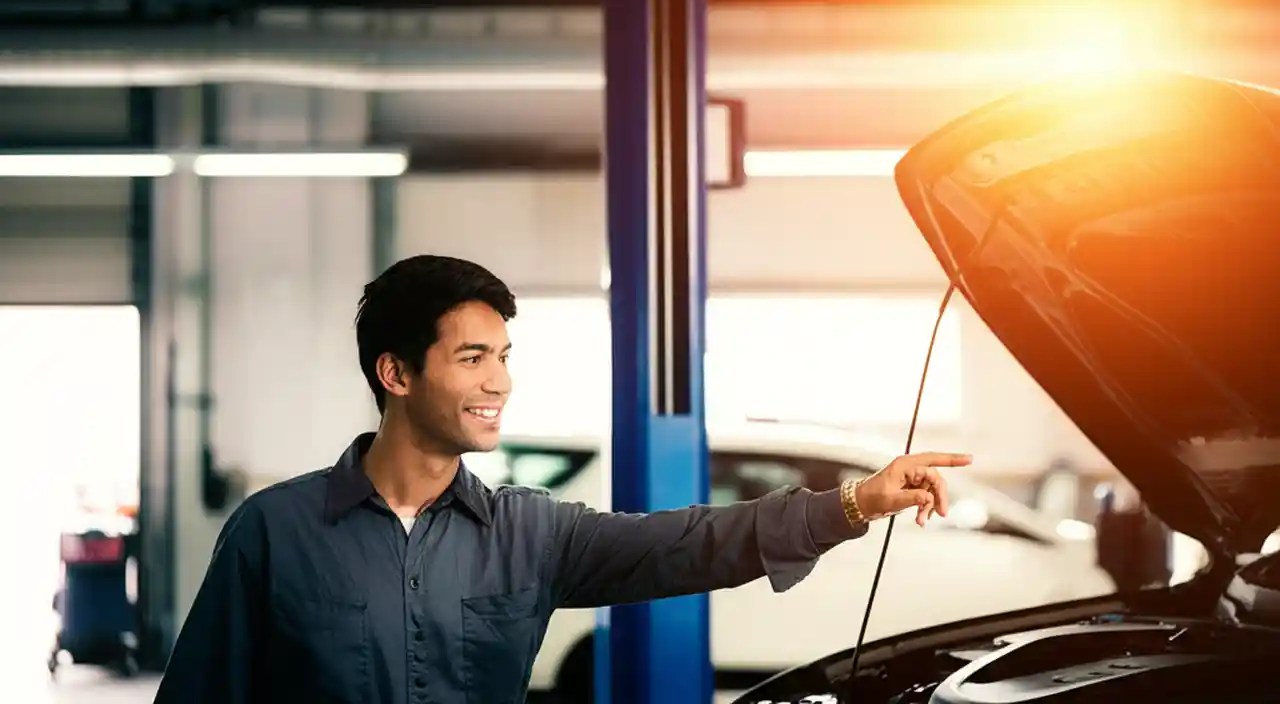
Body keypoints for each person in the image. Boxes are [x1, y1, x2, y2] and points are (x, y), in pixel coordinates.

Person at [153, 254, 972, 704]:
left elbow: (691, 543)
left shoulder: (532, 533)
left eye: (504, 358)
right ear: (395, 373)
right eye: (472, 358)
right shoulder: (275, 531)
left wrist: (857, 501)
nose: (499, 382)